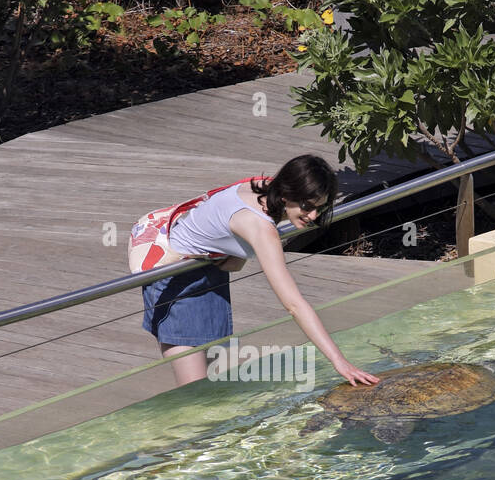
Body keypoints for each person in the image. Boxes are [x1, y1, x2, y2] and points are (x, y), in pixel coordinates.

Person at [133, 154, 379, 387]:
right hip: (173, 279)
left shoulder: (266, 188)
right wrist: (340, 362)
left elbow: (224, 224)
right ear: (286, 194)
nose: (313, 216)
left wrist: (237, 257)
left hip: (208, 269)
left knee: (211, 388)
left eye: (321, 208)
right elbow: (294, 305)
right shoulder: (260, 228)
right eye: (307, 206)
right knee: (194, 397)